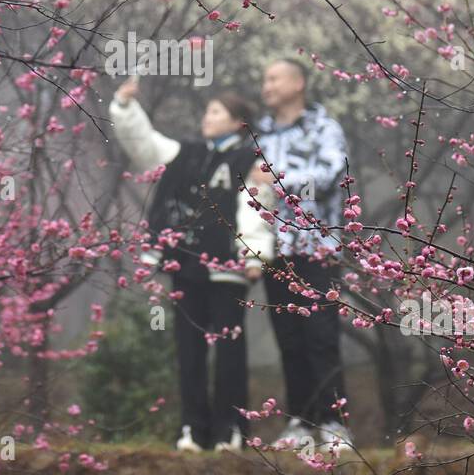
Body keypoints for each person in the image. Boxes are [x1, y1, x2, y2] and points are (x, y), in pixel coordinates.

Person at [109, 77, 274, 453]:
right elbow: (144, 143)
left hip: (228, 269)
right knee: (189, 349)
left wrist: (253, 254)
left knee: (231, 350)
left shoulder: (250, 160)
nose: (206, 118)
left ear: (237, 122)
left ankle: (230, 430)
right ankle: (192, 430)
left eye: (215, 112)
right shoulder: (187, 152)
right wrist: (124, 106)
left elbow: (257, 208)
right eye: (207, 111)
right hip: (185, 266)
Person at [254, 58, 354, 452]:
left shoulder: (325, 129)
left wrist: (278, 179)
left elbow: (329, 181)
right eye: (265, 79)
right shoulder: (259, 132)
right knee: (289, 339)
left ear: (298, 83)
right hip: (274, 250)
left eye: (274, 77)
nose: (267, 86)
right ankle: (300, 421)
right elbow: (248, 184)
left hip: (317, 248)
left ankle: (334, 423)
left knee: (320, 336)